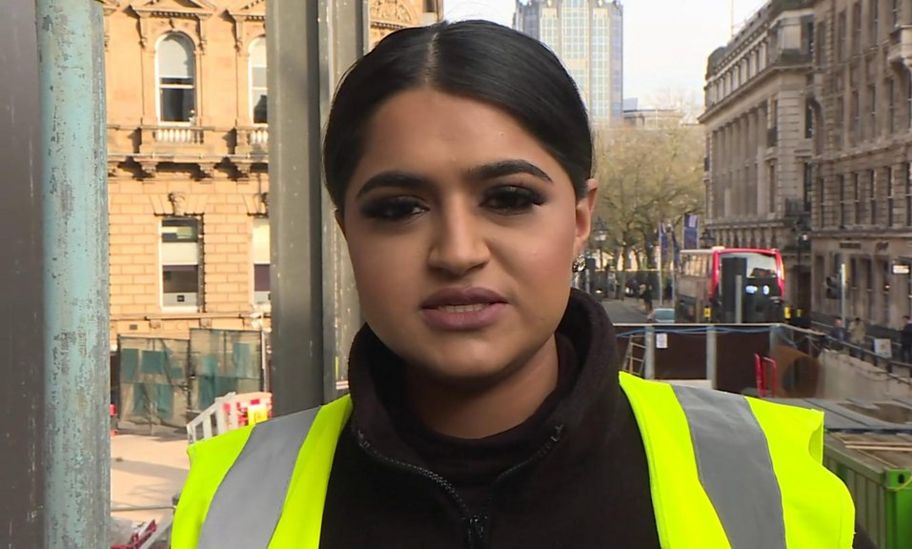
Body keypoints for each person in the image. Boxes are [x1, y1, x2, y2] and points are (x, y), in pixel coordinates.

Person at [172, 21, 861, 548]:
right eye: (398, 208)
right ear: (347, 230)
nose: (458, 251)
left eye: (508, 197)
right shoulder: (230, 500)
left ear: (582, 217)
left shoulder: (770, 482)